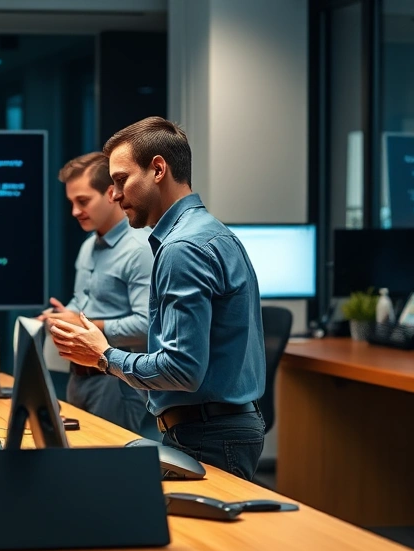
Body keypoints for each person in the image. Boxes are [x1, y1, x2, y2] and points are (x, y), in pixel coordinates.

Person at [47, 116, 266, 480]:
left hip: (208, 433)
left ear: (158, 169)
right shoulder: (207, 233)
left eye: (120, 181)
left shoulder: (183, 248)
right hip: (213, 429)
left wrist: (103, 356)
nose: (115, 194)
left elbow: (181, 369)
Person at [38, 152, 153, 434]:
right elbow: (85, 301)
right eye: (72, 203)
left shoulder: (138, 250)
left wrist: (87, 325)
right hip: (79, 377)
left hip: (116, 382)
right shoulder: (89, 246)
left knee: (109, 469)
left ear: (112, 193)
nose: (75, 211)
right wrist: (61, 315)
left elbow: (148, 325)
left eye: (83, 201)